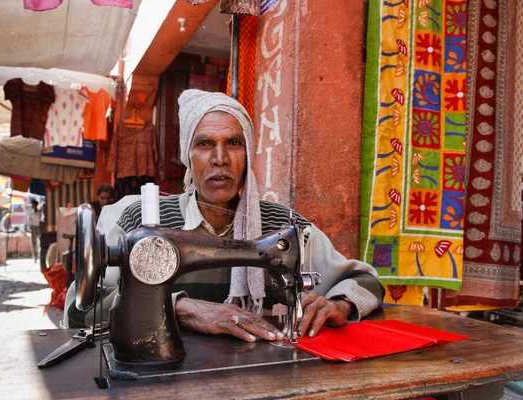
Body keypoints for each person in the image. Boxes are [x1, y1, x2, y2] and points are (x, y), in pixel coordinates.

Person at [66, 90, 384, 342]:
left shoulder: (285, 227)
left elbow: (366, 280)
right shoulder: (139, 219)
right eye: (205, 144)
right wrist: (176, 308)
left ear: (247, 155)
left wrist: (342, 304)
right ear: (187, 157)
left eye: (234, 143)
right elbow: (78, 308)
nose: (220, 159)